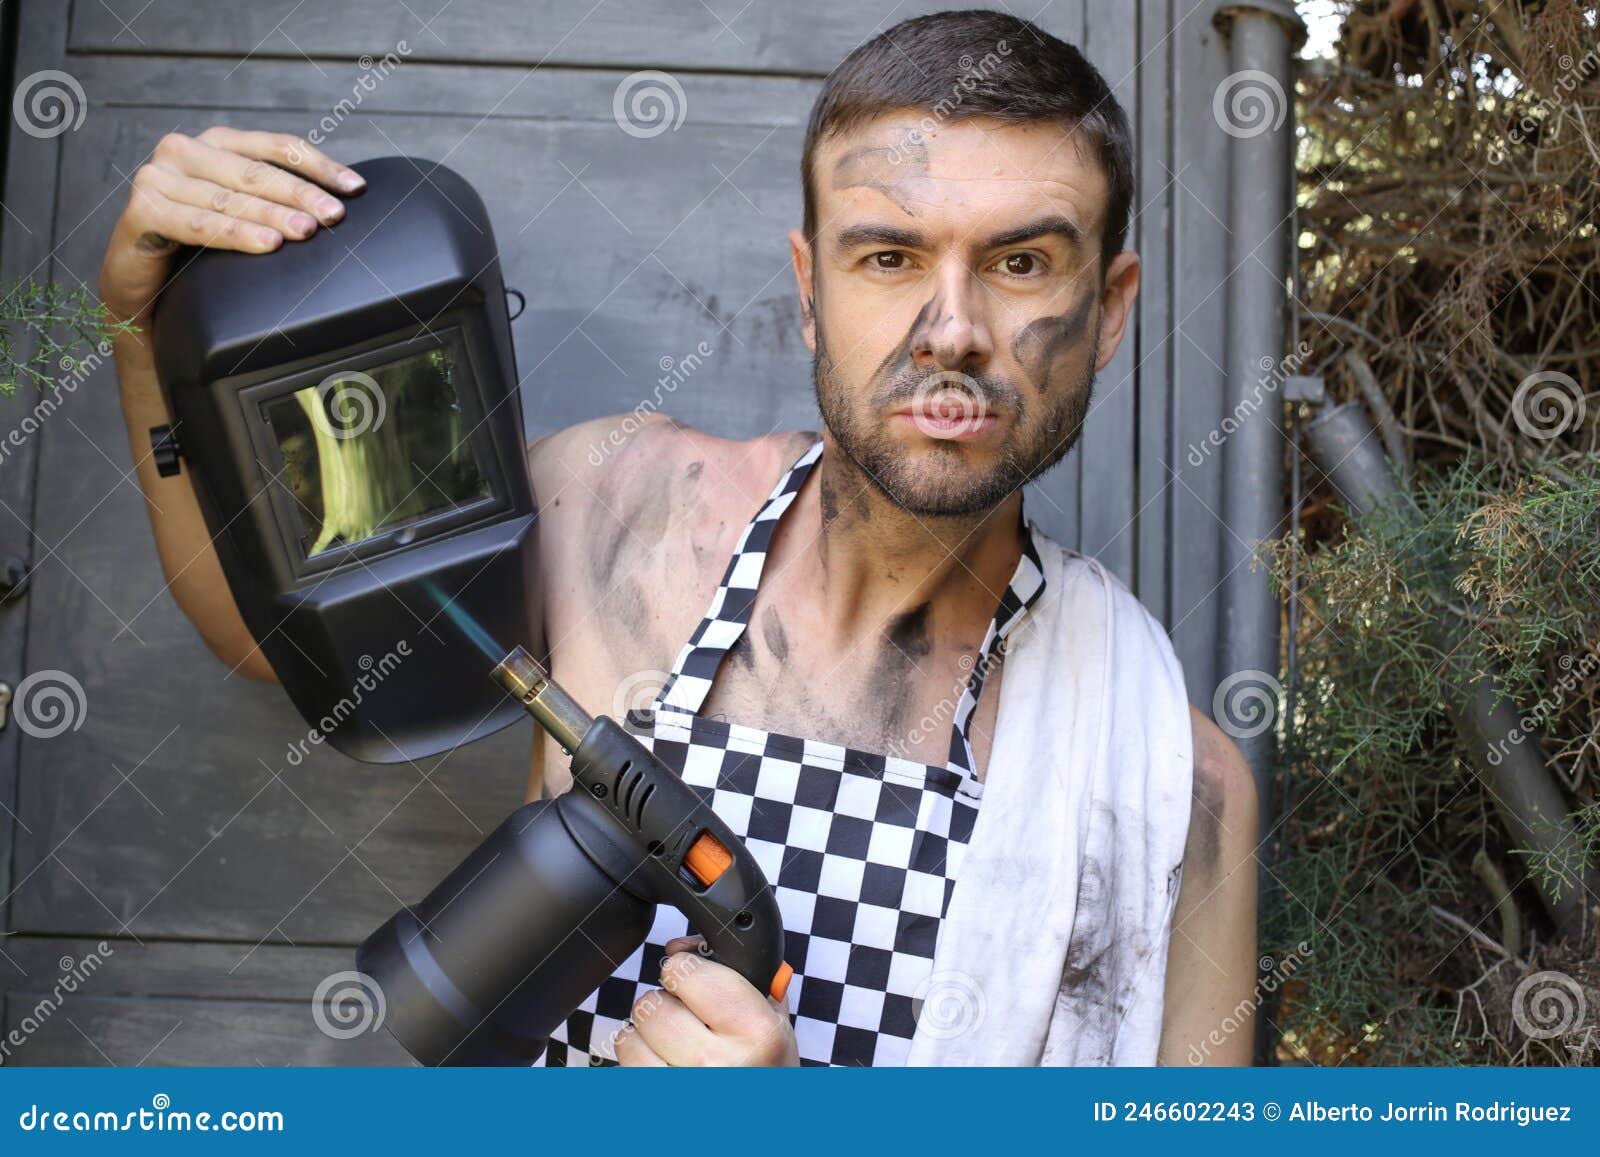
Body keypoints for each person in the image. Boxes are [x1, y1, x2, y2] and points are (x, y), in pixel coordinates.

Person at [99, 9, 1258, 1067]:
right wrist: (147, 332)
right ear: (809, 287)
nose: (950, 330)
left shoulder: (1176, 782)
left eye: (1019, 263)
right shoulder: (617, 513)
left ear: (1107, 309)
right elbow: (282, 644)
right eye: (888, 256)